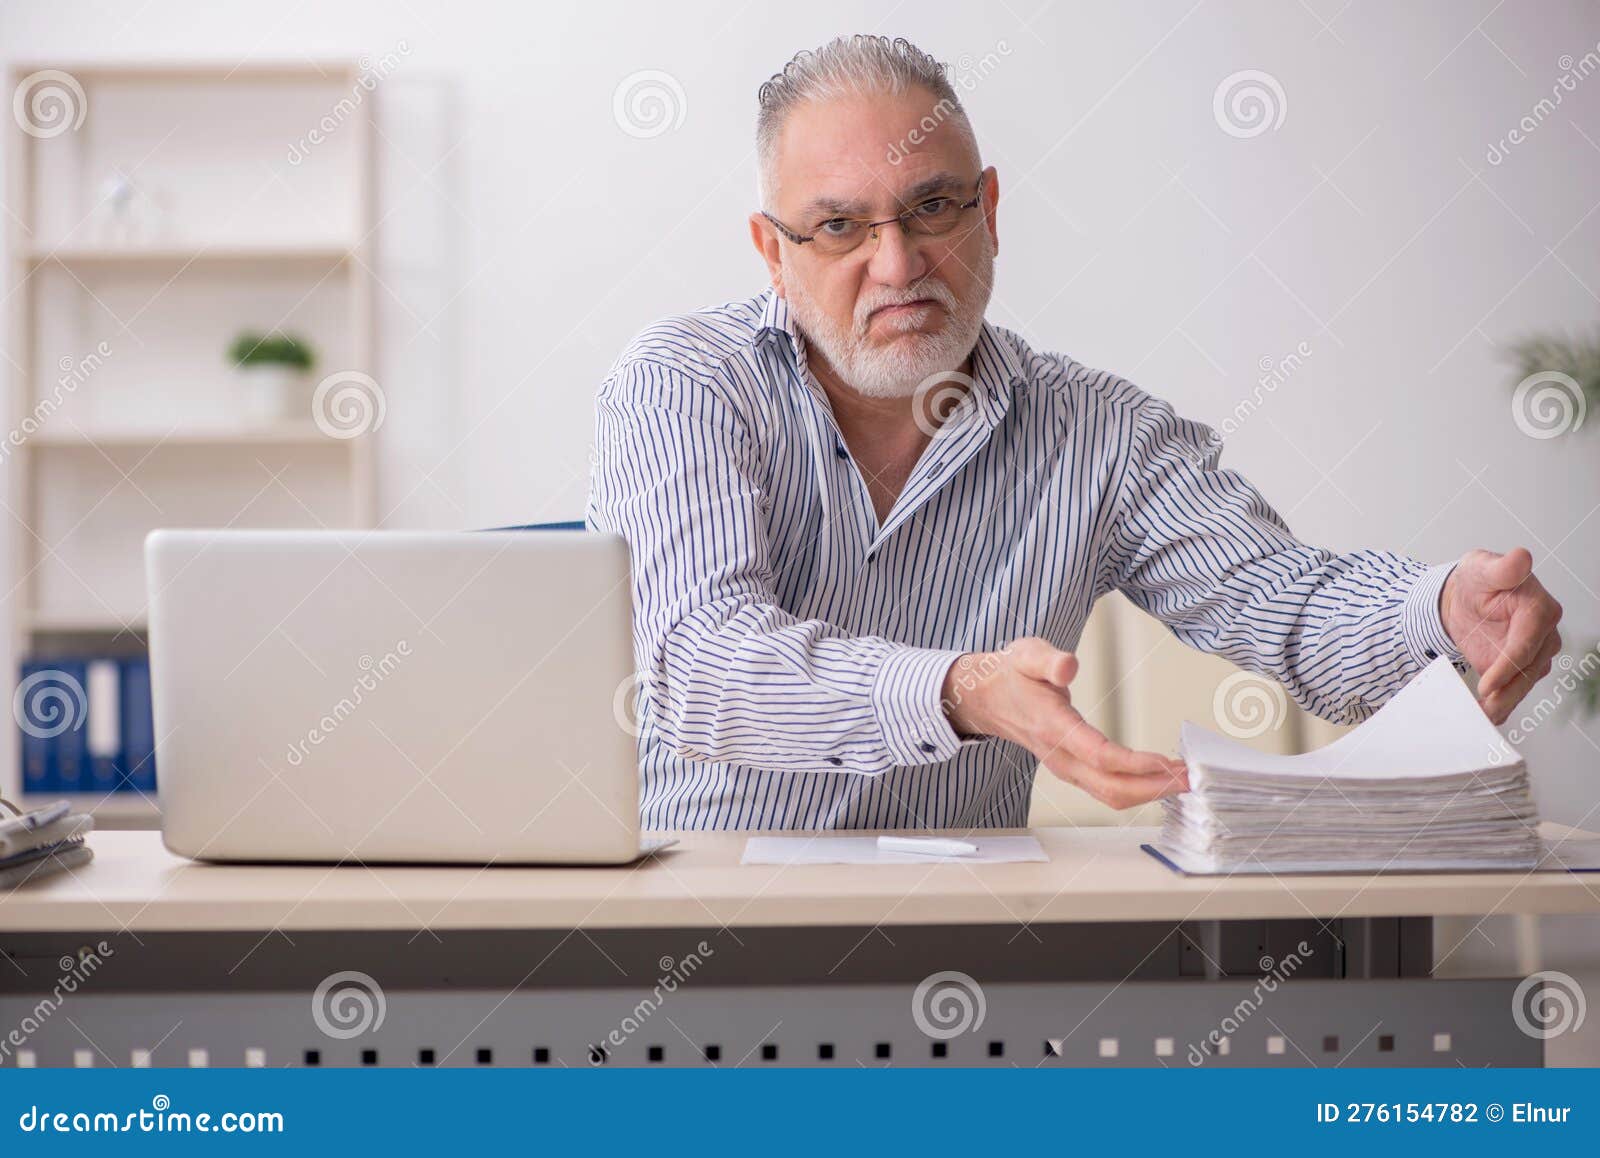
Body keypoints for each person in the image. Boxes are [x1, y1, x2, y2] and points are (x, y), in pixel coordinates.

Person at [587, 35, 1563, 831]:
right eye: (840, 226)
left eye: (932, 206)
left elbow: (1285, 605)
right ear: (772, 251)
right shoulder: (682, 384)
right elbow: (697, 666)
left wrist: (1437, 610)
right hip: (689, 935)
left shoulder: (1097, 430)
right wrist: (960, 690)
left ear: (991, 211)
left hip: (969, 959)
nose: (896, 263)